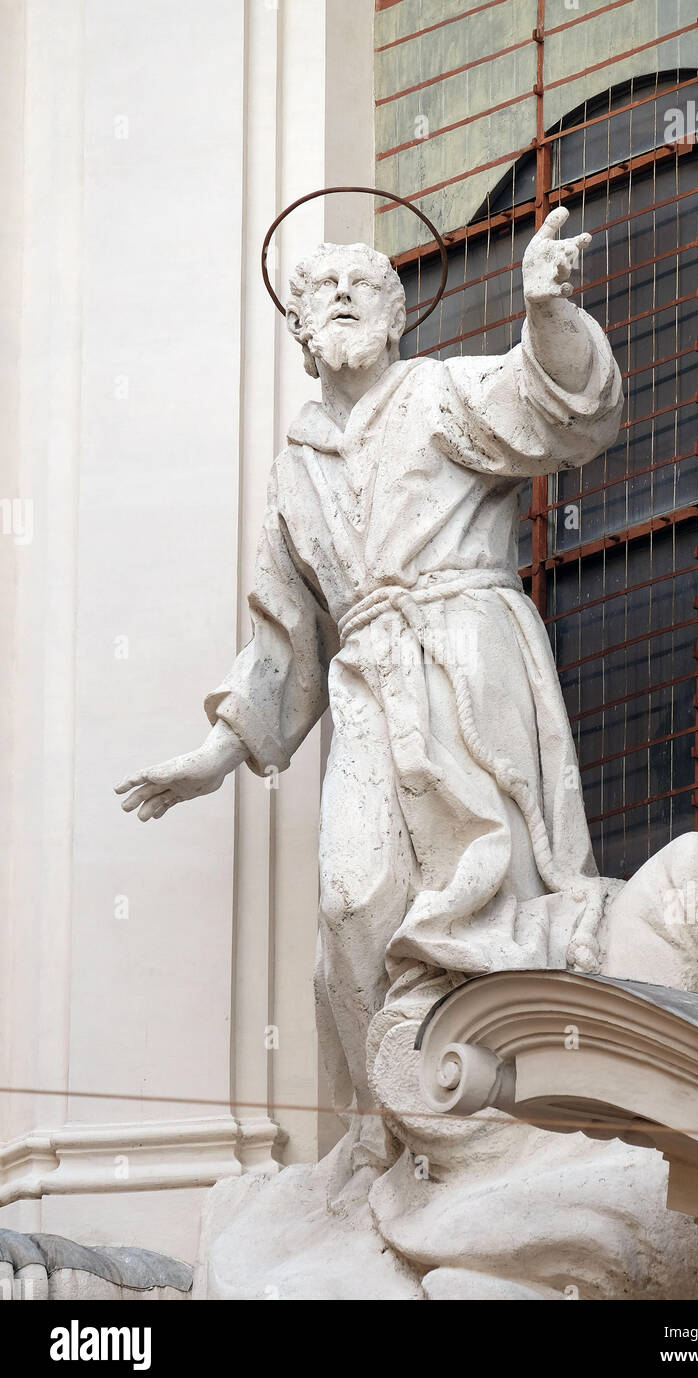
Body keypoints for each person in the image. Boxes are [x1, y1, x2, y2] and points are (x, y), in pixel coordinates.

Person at [115, 207, 623, 1174]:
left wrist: (546, 308)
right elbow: (284, 637)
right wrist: (217, 752)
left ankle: (499, 1104)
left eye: (364, 288)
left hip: (468, 651)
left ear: (396, 322)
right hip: (365, 679)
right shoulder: (293, 469)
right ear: (304, 334)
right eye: (322, 292)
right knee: (354, 906)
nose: (342, 299)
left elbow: (563, 409)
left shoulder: (438, 393)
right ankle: (396, 1133)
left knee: (487, 881)